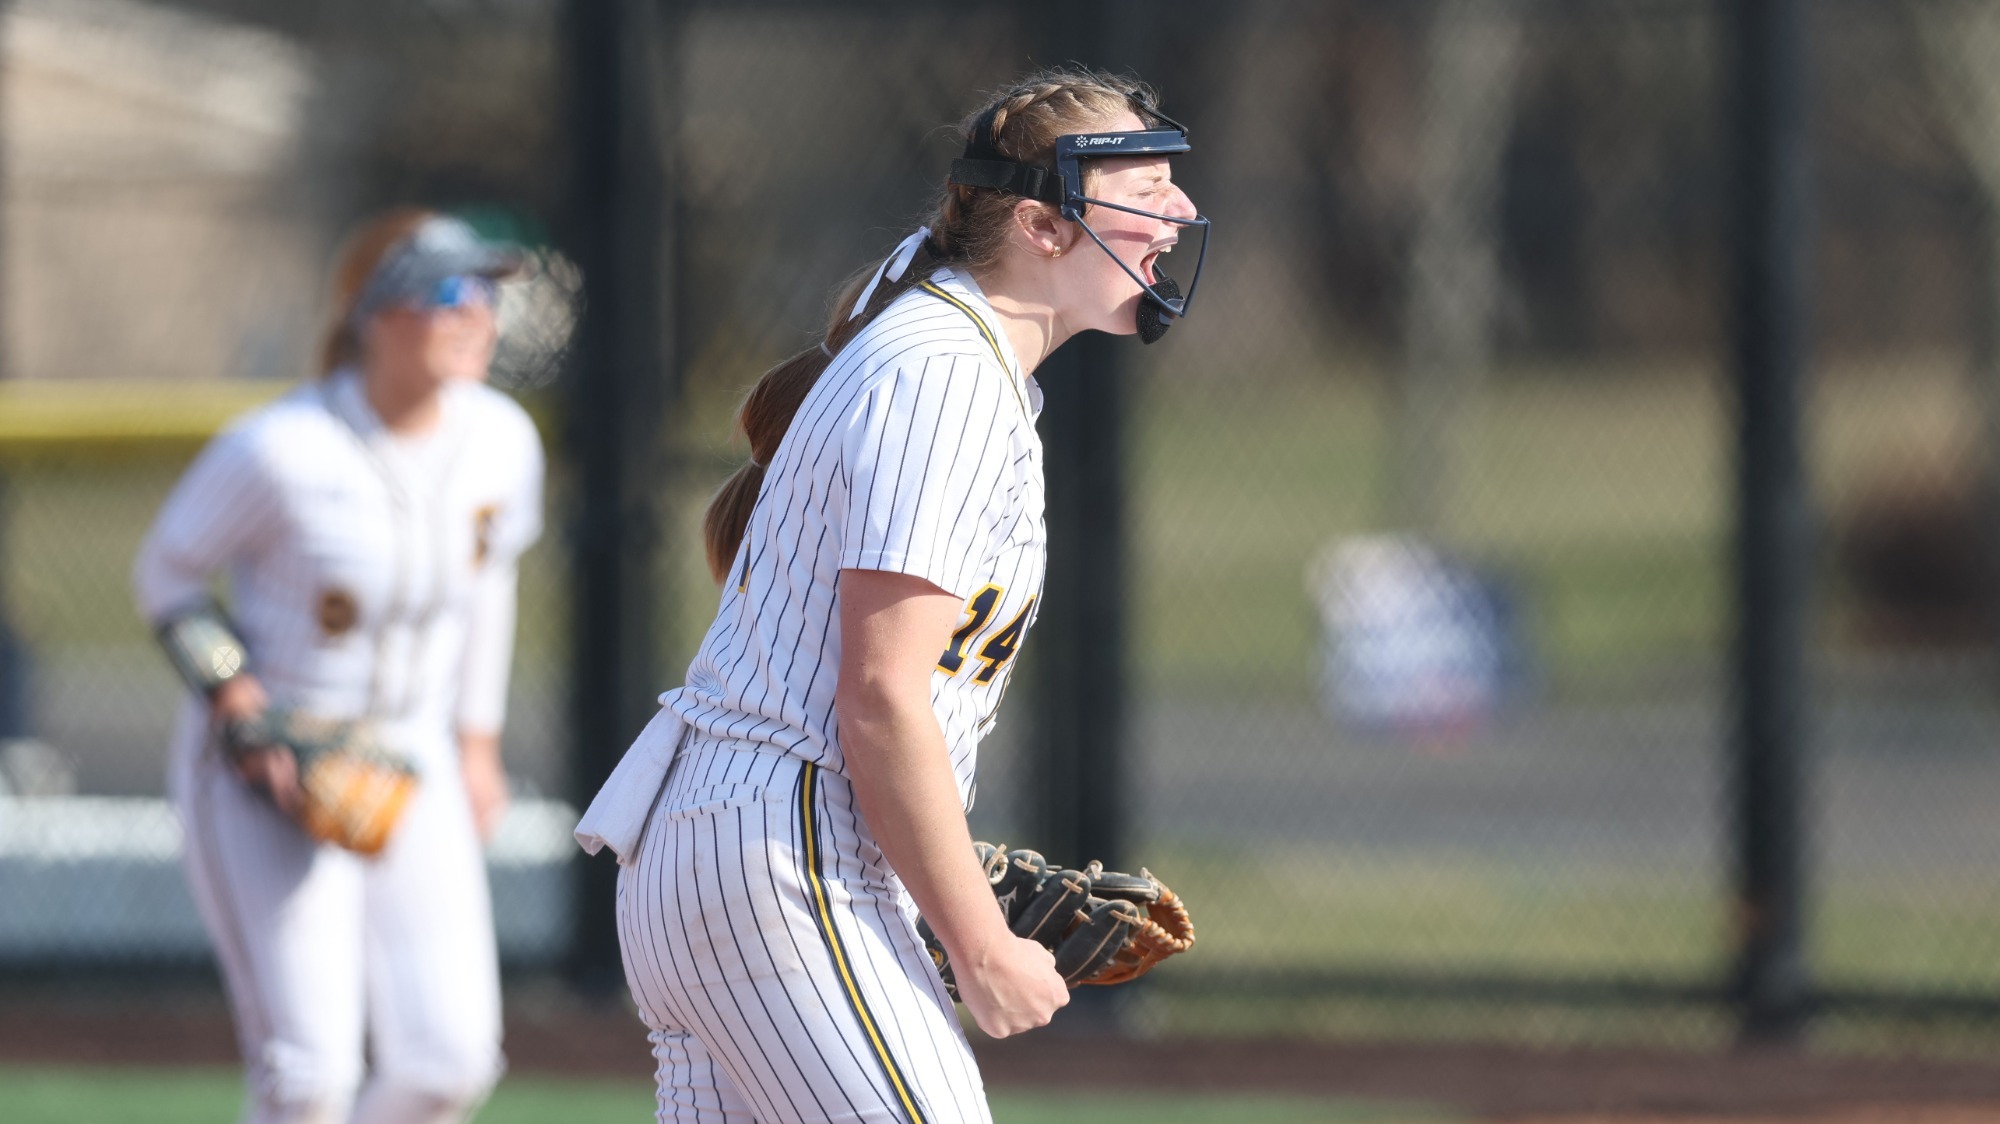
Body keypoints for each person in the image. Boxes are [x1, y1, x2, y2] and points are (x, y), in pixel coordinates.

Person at [574, 68, 1208, 1123]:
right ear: (1045, 225)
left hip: (735, 844)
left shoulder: (943, 357)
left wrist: (941, 865)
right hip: (784, 852)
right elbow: (879, 696)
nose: (1179, 210)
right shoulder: (944, 372)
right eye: (1144, 186)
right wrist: (976, 935)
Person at [132, 208, 546, 1124]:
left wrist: (477, 744)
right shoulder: (280, 447)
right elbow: (166, 572)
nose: (476, 313)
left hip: (415, 756)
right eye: (447, 291)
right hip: (271, 766)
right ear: (373, 312)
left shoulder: (502, 439)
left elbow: (490, 586)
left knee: (448, 1063)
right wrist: (237, 697)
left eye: (485, 293)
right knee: (306, 1073)